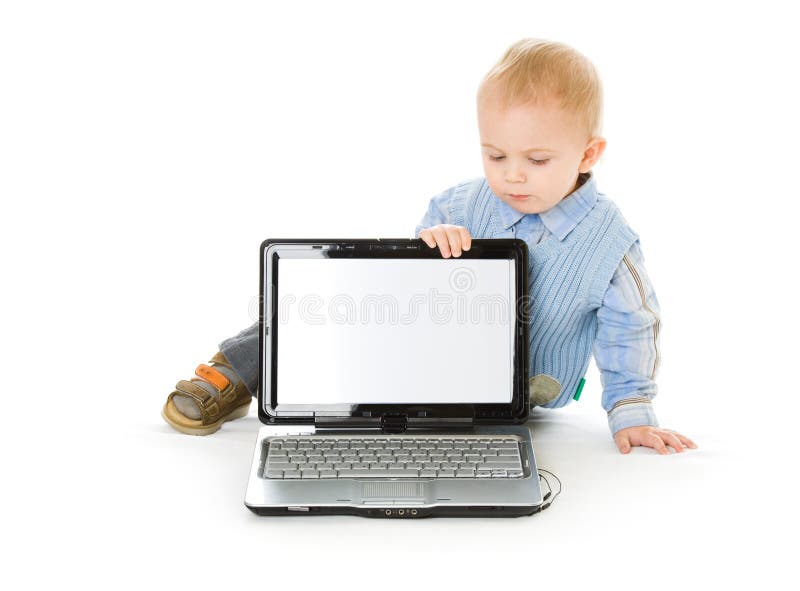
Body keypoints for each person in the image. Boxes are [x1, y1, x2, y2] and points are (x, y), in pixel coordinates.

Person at [161, 38, 697, 455]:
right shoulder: (462, 204)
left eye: (536, 161)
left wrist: (631, 410)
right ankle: (239, 366)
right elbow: (410, 277)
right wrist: (430, 242)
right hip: (427, 359)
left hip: (511, 393)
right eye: (494, 155)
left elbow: (632, 327)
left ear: (589, 153)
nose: (512, 177)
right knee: (336, 303)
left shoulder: (610, 244)